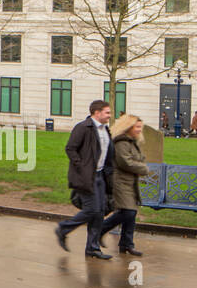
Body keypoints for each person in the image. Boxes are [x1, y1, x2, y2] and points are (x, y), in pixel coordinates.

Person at [55, 100, 115, 259]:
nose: (110, 115)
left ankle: (92, 248)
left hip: (101, 176)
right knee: (92, 210)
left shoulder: (105, 130)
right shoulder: (83, 127)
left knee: (100, 212)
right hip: (86, 177)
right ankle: (63, 228)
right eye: (107, 112)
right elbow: (70, 148)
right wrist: (81, 166)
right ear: (97, 112)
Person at [99, 114, 149, 257]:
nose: (140, 130)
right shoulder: (121, 142)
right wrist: (143, 168)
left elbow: (138, 158)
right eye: (137, 127)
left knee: (130, 214)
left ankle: (126, 244)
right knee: (128, 212)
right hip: (121, 182)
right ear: (128, 127)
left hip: (130, 182)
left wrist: (139, 163)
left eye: (141, 127)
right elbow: (125, 162)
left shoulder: (132, 142)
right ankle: (101, 229)